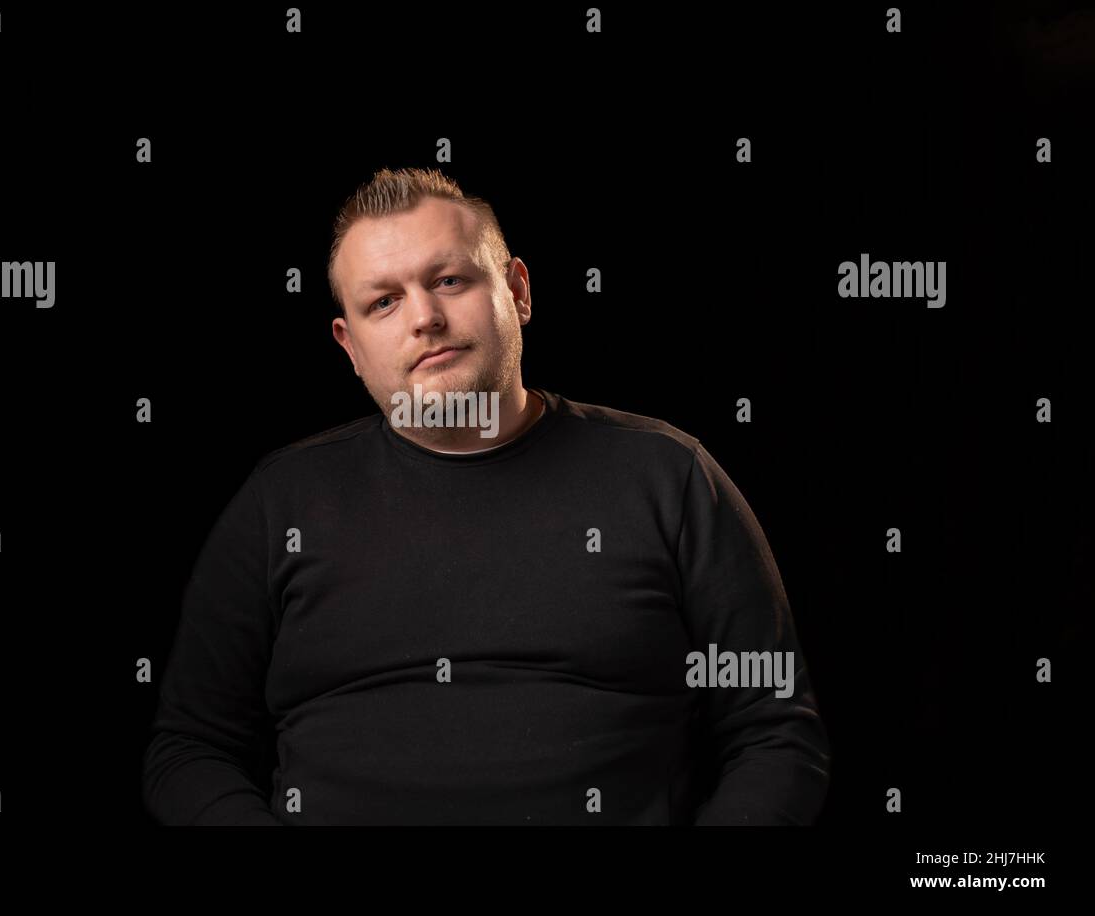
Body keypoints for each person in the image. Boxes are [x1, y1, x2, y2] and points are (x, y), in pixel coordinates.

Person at [141, 167, 831, 825]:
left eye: (448, 279)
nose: (424, 319)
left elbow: (775, 733)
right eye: (383, 301)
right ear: (349, 346)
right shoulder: (280, 502)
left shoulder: (669, 475)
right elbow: (188, 751)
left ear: (519, 292)